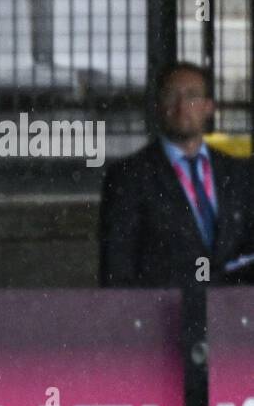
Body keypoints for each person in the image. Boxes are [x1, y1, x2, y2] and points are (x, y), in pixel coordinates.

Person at [100, 61, 254, 287]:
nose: (182, 107)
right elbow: (116, 267)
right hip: (163, 314)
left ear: (209, 106)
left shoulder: (239, 173)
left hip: (233, 313)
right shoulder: (128, 177)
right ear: (157, 106)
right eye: (171, 96)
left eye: (192, 96)